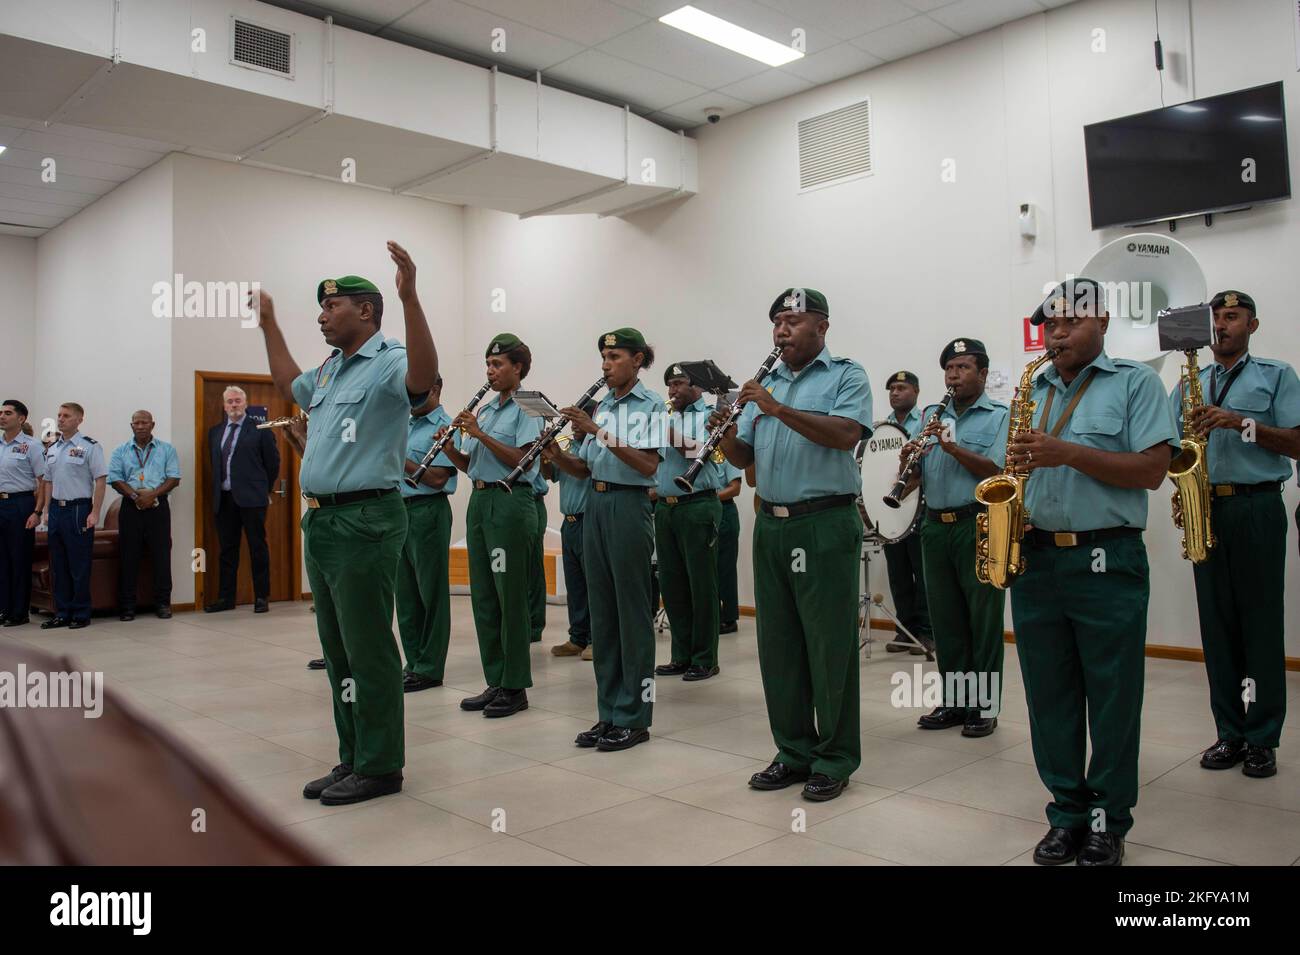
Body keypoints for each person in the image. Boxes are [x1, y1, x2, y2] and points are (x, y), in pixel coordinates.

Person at [257, 244, 439, 806]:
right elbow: (291, 386)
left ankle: (382, 766)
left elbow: (423, 376)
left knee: (368, 648)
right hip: (325, 521)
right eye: (319, 306)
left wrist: (411, 298)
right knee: (337, 650)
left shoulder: (387, 360)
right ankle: (353, 756)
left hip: (367, 517)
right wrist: (269, 325)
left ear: (366, 311)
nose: (321, 314)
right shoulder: (332, 369)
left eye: (331, 305)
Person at [1010, 278, 1179, 867]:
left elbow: (1153, 471)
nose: (1056, 332)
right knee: (1049, 697)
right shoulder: (1033, 388)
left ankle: (1107, 821)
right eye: (1049, 324)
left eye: (1070, 321)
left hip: (1106, 560)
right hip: (1036, 560)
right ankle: (1066, 814)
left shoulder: (1136, 383)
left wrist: (1068, 453)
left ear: (1102, 321)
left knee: (1112, 698)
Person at [713, 288, 872, 802]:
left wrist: (776, 407)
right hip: (772, 525)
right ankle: (793, 750)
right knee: (778, 645)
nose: (781, 330)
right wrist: (724, 436)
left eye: (792, 320)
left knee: (829, 646)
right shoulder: (767, 384)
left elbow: (846, 434)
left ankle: (835, 756)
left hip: (823, 523)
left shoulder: (847, 375)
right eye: (776, 322)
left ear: (821, 327)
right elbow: (745, 460)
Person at [1169, 290, 1299, 780]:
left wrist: (1242, 424)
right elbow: (1165, 445)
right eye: (1216, 319)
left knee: (1259, 627)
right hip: (1207, 507)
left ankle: (1262, 736)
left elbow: (1297, 441)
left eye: (1232, 317)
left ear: (1252, 325)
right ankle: (1230, 731)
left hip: (1256, 505)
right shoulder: (1189, 382)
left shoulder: (1277, 375)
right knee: (1218, 628)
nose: (1222, 325)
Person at [560, 328, 665, 752]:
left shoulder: (652, 405)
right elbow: (583, 468)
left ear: (638, 360)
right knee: (603, 616)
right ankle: (608, 712)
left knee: (632, 616)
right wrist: (553, 451)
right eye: (603, 356)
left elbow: (645, 465)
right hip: (595, 504)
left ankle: (635, 716)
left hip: (629, 505)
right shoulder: (602, 405)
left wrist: (595, 429)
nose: (605, 364)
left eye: (615, 356)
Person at [897, 344, 1009, 736]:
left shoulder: (1000, 415)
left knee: (982, 620)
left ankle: (985, 706)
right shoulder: (931, 414)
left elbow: (996, 470)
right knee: (946, 621)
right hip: (934, 524)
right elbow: (913, 473)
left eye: (962, 367)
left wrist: (951, 447)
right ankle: (955, 701)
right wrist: (906, 458)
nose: (953, 375)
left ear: (982, 373)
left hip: (978, 523)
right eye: (948, 368)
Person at [440, 334, 542, 718]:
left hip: (510, 502)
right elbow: (475, 465)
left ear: (518, 368)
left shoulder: (529, 405)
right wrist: (451, 450)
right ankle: (496, 679)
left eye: (498, 364)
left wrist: (479, 433)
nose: (490, 371)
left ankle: (515, 686)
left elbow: (524, 460)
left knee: (509, 596)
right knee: (483, 595)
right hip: (481, 500)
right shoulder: (486, 408)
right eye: (488, 364)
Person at [653, 362, 724, 681]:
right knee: (673, 584)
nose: (672, 390)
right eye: (669, 385)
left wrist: (663, 430)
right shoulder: (669, 415)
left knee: (701, 584)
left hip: (698, 505)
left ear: (696, 386)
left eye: (679, 383)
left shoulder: (709, 415)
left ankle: (705, 658)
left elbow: (699, 452)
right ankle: (681, 654)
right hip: (665, 508)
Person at [397, 378, 456, 693]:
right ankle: (413, 662)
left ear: (435, 389)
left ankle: (431, 667)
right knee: (405, 594)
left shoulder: (445, 426)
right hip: (399, 509)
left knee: (429, 592)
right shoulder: (404, 424)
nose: (412, 400)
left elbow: (435, 478)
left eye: (418, 393)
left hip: (427, 510)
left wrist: (398, 456)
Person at [206, 386, 280, 613]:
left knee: (258, 547)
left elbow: (273, 464)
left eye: (238, 400)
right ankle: (226, 599)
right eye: (230, 401)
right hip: (224, 499)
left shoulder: (260, 430)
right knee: (227, 550)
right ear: (224, 405)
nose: (234, 405)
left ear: (245, 404)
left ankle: (261, 597)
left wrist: (263, 490)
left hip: (252, 500)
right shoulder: (215, 432)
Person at [39, 403, 107, 630]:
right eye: (59, 415)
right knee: (58, 564)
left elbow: (100, 480)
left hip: (78, 509)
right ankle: (62, 612)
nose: (61, 419)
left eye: (66, 416)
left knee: (78, 564)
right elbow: (48, 482)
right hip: (57, 510)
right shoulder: (53, 448)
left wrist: (95, 511)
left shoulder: (89, 446)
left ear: (79, 419)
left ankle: (80, 612)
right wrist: (47, 510)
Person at [108, 410, 181, 621]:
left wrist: (152, 495)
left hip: (158, 506)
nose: (140, 426)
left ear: (152, 425)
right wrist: (135, 496)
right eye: (136, 423)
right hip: (131, 508)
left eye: (144, 422)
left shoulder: (166, 449)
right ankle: (127, 606)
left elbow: (174, 478)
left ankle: (162, 604)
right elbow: (114, 478)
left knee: (161, 556)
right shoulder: (120, 451)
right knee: (129, 557)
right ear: (131, 426)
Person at [881, 370, 933, 655]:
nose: (895, 393)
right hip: (892, 511)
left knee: (922, 573)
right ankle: (905, 630)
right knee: (898, 573)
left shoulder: (926, 422)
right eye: (891, 389)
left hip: (920, 509)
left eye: (901, 388)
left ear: (915, 391)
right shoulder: (884, 427)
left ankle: (927, 632)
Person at [543, 432, 592, 659]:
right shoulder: (567, 445)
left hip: (588, 520)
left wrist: (560, 455)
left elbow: (582, 472)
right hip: (569, 522)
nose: (573, 427)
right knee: (575, 586)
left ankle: (595, 640)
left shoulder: (592, 447)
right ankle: (577, 638)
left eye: (577, 421)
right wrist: (544, 453)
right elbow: (548, 475)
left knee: (592, 584)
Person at [0, 400, 46, 628]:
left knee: (19, 558)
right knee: (2, 560)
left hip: (21, 503)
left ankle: (19, 612)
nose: (2, 416)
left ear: (21, 419)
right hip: (1, 503)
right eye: (1, 412)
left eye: (8, 413)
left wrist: (37, 511)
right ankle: (4, 608)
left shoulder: (32, 445)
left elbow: (43, 481)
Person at [717, 460, 742, 634]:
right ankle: (714, 614)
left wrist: (710, 497)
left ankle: (729, 618)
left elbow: (735, 488)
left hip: (725, 512)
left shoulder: (726, 456)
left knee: (725, 569)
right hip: (708, 511)